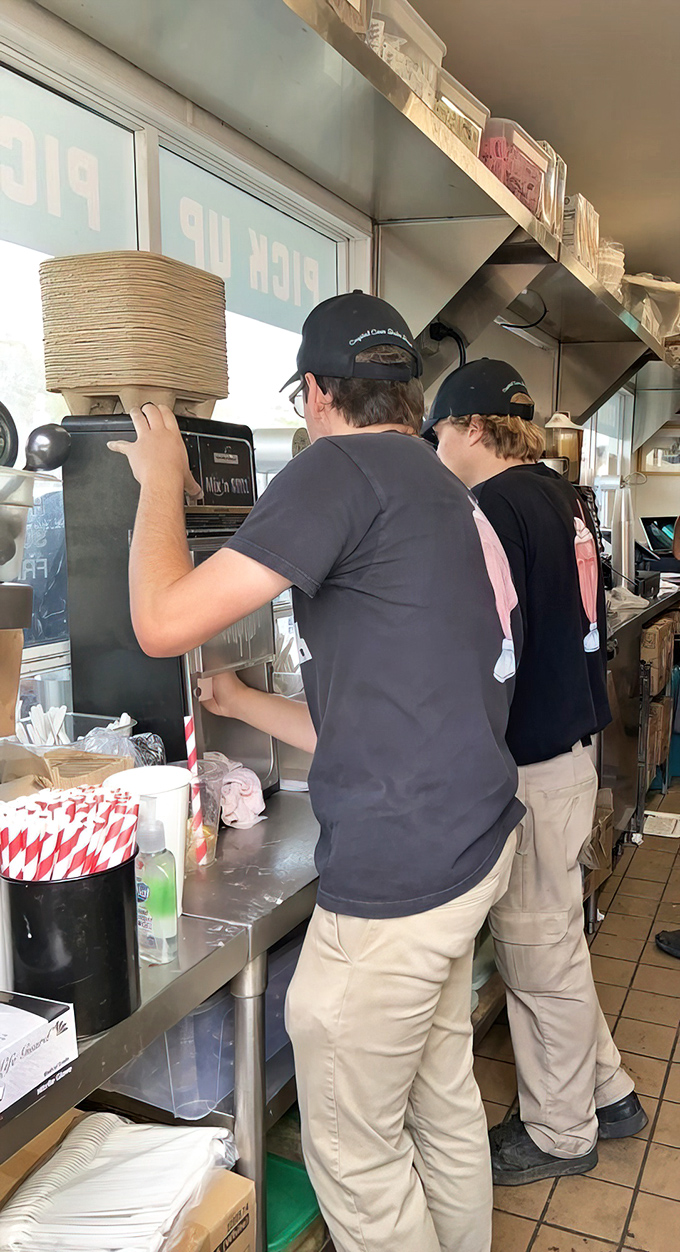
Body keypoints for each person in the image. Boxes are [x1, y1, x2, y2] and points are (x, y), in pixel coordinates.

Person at [109, 292, 523, 1252]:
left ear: (314, 393)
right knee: (439, 1098)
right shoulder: (439, 489)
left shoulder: (335, 467)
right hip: (471, 841)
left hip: (398, 876)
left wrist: (159, 480)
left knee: (357, 1152)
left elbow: (161, 621)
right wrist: (240, 701)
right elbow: (377, 715)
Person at [422, 358, 647, 1187]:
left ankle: (559, 1133)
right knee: (554, 943)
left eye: (440, 432)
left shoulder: (491, 509)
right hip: (568, 754)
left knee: (536, 955)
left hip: (532, 768)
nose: (437, 448)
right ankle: (608, 1093)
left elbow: (484, 650)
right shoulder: (559, 496)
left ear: (475, 428)